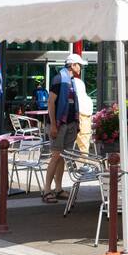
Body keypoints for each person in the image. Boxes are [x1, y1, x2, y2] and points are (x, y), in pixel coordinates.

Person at [42, 53, 88, 203]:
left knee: (62, 157)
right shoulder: (59, 79)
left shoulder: (72, 81)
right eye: (79, 65)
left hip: (69, 124)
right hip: (59, 125)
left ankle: (58, 188)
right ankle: (47, 190)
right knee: (56, 156)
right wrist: (54, 125)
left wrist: (76, 123)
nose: (80, 67)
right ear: (72, 65)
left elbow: (72, 103)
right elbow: (51, 102)